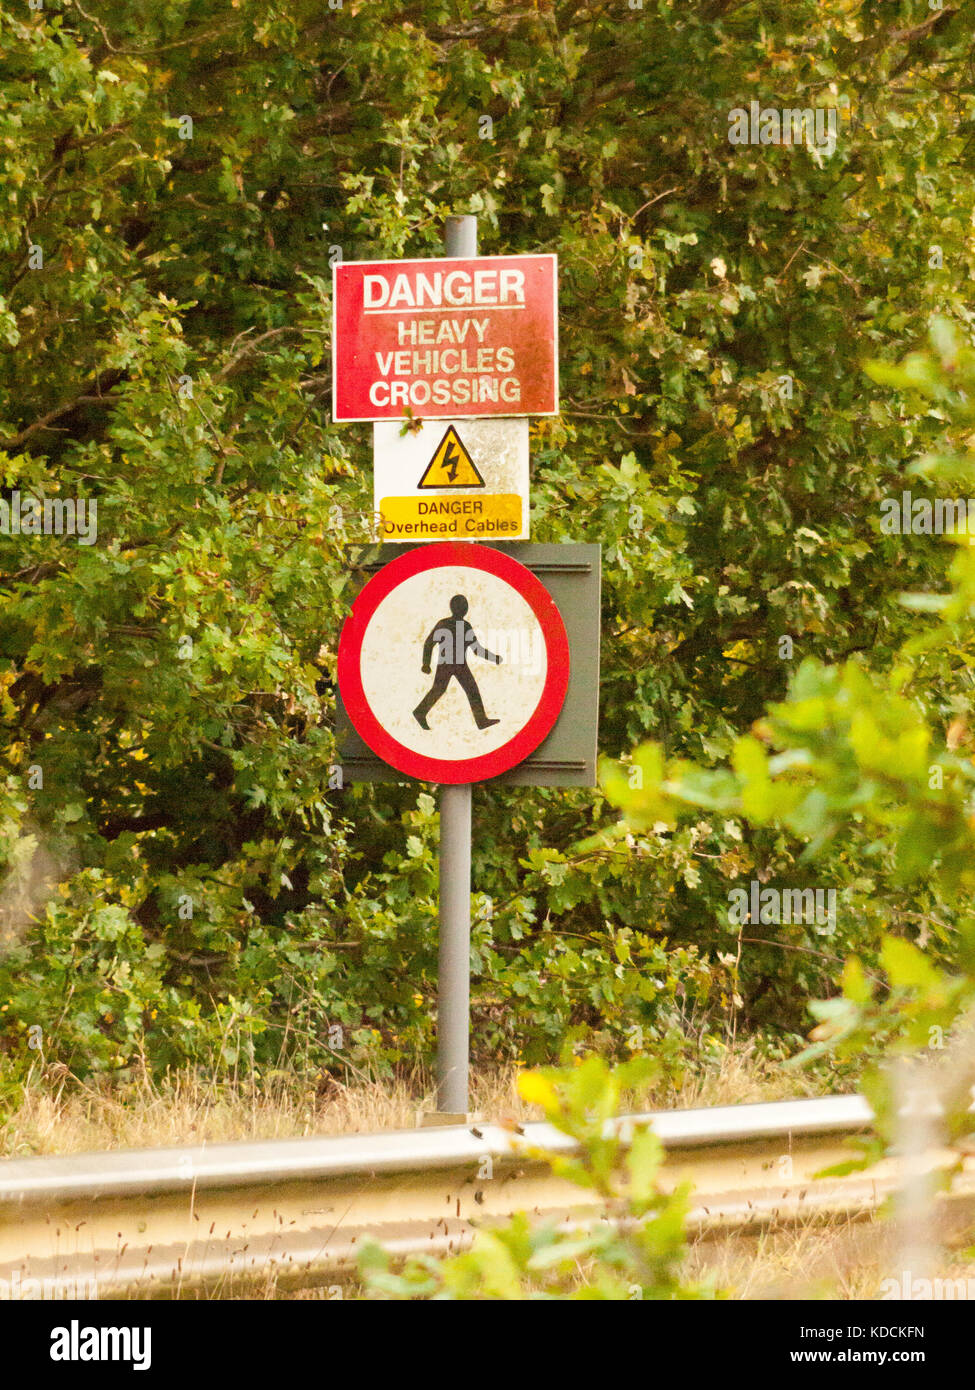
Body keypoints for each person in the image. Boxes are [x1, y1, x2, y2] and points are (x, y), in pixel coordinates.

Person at [413, 594, 502, 730]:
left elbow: (429, 643)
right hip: (452, 664)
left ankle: (481, 720)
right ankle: (420, 712)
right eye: (463, 606)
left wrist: (426, 664)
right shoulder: (463, 625)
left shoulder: (447, 624)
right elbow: (476, 649)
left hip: (454, 664)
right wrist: (425, 664)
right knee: (442, 689)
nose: (464, 608)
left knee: (467, 689)